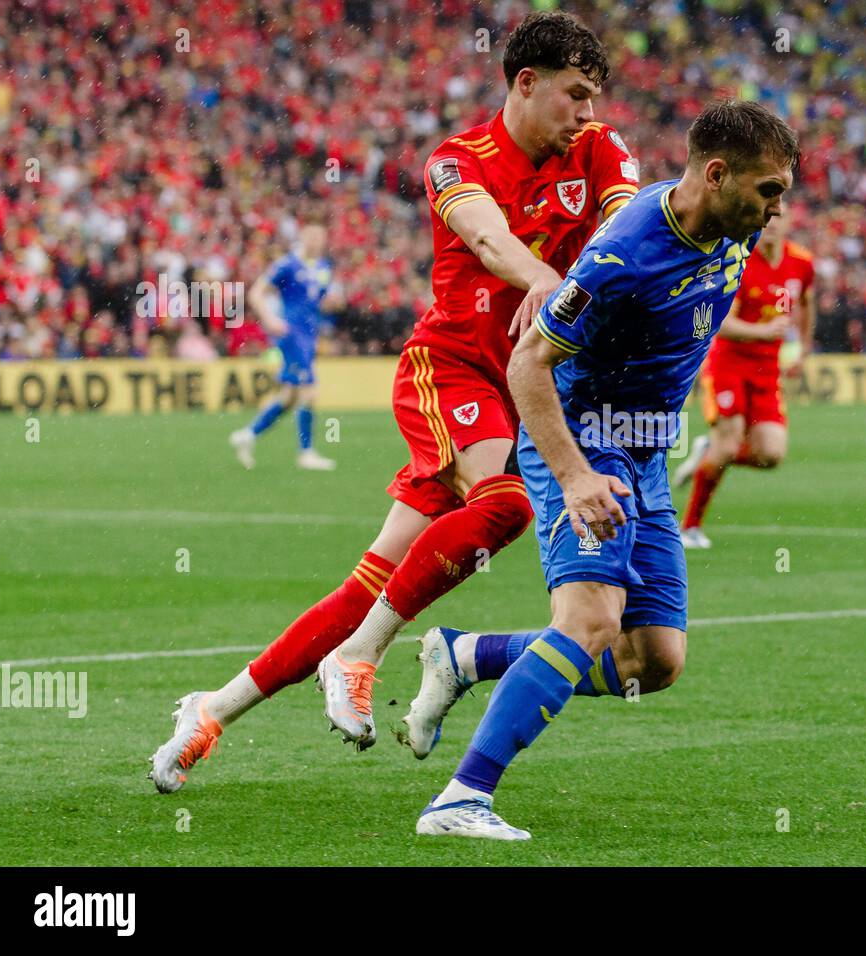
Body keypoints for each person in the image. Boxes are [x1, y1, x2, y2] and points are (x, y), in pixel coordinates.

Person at [149, 12, 640, 793]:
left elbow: (626, 223)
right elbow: (486, 239)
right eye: (574, 95)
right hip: (448, 370)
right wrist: (547, 282)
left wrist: (588, 272)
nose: (586, 113)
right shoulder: (457, 159)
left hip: (520, 388)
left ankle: (210, 710)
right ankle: (363, 655)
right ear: (524, 82)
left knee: (372, 580)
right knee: (507, 505)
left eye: (594, 97)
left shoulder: (599, 147)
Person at [409, 99, 798, 840]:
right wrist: (576, 475)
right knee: (589, 621)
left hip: (647, 454)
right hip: (584, 442)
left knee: (653, 660)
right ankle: (460, 799)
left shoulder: (729, 228)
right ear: (715, 175)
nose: (778, 208)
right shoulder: (624, 255)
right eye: (769, 190)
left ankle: (468, 655)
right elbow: (529, 365)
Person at [674, 213, 815, 547]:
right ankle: (690, 527)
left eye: (781, 217)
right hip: (729, 364)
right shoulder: (740, 260)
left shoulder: (801, 262)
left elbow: (807, 303)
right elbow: (720, 323)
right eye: (769, 218)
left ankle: (708, 453)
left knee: (771, 454)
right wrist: (763, 332)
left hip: (768, 370)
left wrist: (805, 349)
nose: (774, 223)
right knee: (729, 440)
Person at [229, 222, 342, 471]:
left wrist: (330, 303)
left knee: (289, 397)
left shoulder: (322, 267)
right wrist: (270, 319)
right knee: (309, 390)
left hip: (309, 335)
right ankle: (306, 453)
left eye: (320, 235)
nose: (316, 240)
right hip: (291, 334)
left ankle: (247, 435)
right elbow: (257, 293)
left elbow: (316, 300)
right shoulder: (288, 264)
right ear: (302, 236)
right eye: (311, 235)